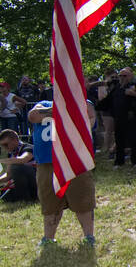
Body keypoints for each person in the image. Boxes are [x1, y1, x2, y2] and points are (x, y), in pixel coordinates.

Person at [27, 98, 98, 247]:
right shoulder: (44, 103)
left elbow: (88, 118)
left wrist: (61, 112)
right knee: (49, 201)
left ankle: (89, 237)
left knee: (82, 198)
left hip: (75, 160)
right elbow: (33, 116)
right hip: (47, 161)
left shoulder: (79, 98)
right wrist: (62, 110)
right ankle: (48, 238)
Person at [0, 129, 37, 202]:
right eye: (2, 145)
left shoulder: (28, 147)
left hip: (37, 180)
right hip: (28, 182)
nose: (4, 147)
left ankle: (26, 199)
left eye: (6, 144)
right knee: (6, 197)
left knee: (16, 167)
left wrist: (2, 161)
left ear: (15, 140)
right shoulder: (12, 154)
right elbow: (8, 175)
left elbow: (23, 159)